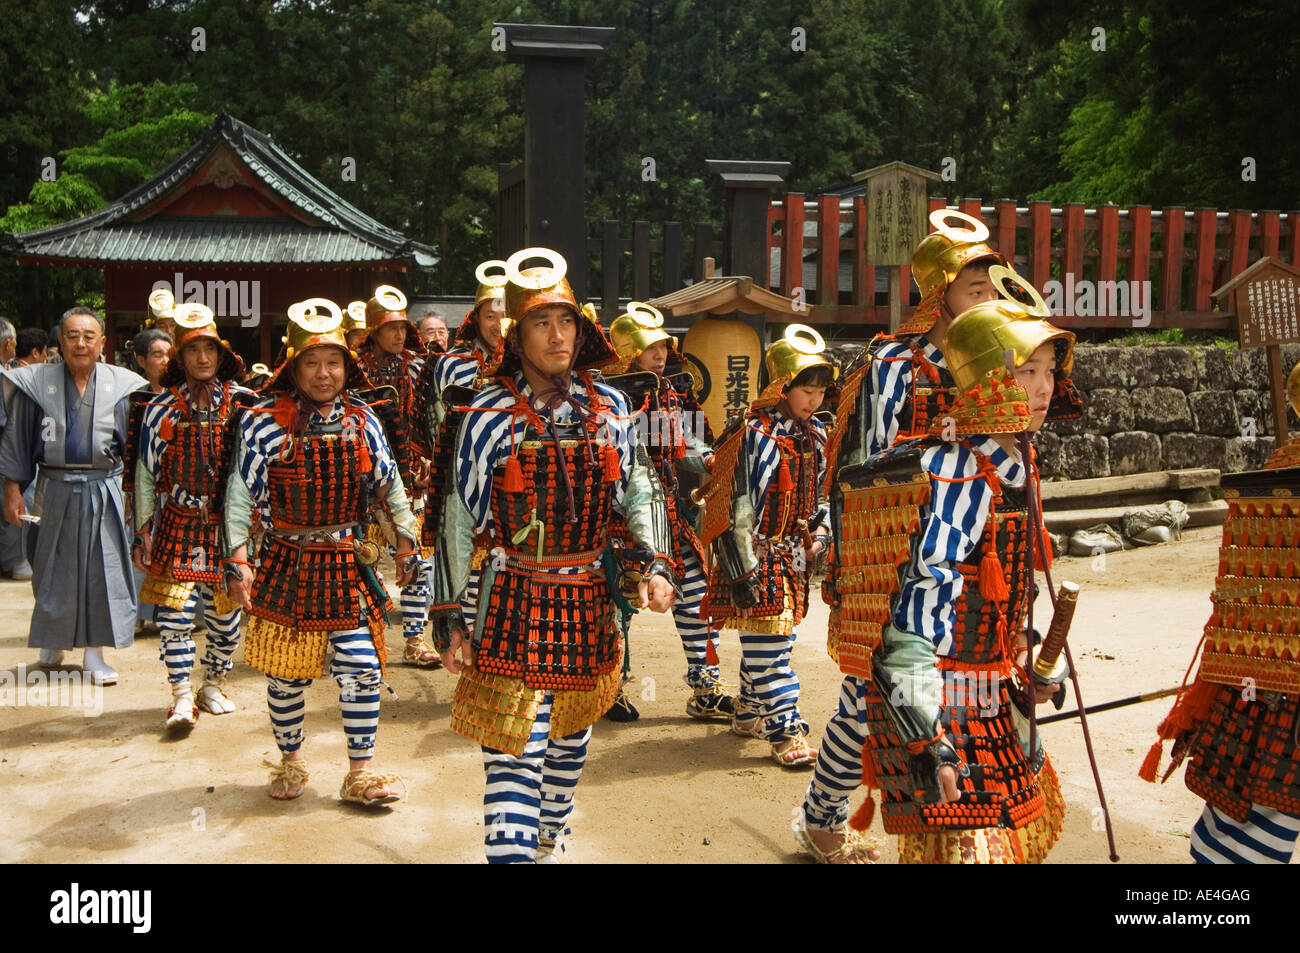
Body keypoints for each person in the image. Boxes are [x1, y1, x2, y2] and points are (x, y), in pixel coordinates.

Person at [795, 292, 1073, 864]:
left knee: (859, 714)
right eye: (1027, 370)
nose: (1043, 387)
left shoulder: (1017, 462)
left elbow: (1007, 593)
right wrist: (929, 736)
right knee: (864, 718)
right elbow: (914, 618)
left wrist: (1034, 666)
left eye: (1049, 370)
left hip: (984, 684)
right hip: (933, 682)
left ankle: (817, 816)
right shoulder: (956, 472)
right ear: (990, 376)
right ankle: (821, 818)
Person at [430, 248, 678, 863]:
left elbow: (639, 486)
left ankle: (548, 842)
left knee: (570, 743)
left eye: (566, 321)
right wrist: (449, 612)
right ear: (515, 337)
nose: (557, 335)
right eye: (541, 323)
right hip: (512, 597)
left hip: (591, 600)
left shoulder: (611, 409)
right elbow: (459, 516)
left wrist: (653, 560)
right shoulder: (485, 415)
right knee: (516, 754)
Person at [223, 297, 419, 805]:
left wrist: (406, 540)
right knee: (286, 674)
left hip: (348, 559)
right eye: (312, 362)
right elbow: (240, 494)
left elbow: (389, 483)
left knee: (361, 668)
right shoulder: (261, 421)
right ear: (293, 366)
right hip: (287, 561)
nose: (324, 373)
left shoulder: (363, 420)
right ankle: (291, 762)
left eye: (333, 362)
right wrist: (237, 560)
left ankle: (361, 772)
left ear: (346, 366)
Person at [1139, 361, 1300, 864]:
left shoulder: (1279, 469)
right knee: (1260, 811)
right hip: (1278, 679)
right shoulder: (1280, 476)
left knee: (1246, 808)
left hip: (1260, 673)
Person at [700, 325, 836, 768]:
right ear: (783, 386)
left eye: (819, 391)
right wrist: (742, 567)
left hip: (793, 553)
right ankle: (785, 730)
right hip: (756, 550)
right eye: (806, 389)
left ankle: (748, 710)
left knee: (776, 639)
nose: (813, 400)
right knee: (771, 645)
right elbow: (736, 503)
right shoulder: (752, 435)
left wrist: (820, 533)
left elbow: (820, 495)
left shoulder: (816, 434)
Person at [0, 307, 148, 683]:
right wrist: (12, 488)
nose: (80, 343)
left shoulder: (124, 385)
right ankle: (53, 638)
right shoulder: (33, 383)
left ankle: (95, 654)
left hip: (106, 487)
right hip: (52, 487)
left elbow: (135, 452)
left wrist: (135, 496)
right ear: (59, 342)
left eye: (88, 336)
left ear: (102, 343)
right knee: (50, 567)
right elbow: (17, 439)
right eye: (72, 335)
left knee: (103, 570)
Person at [606, 302, 732, 722]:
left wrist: (712, 460)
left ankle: (705, 687)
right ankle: (612, 689)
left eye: (663, 344)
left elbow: (690, 445)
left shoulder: (675, 390)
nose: (660, 354)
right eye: (650, 347)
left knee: (696, 596)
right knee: (620, 604)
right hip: (623, 518)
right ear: (628, 352)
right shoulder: (609, 398)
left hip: (673, 512)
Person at [132, 303, 252, 731]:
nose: (202, 358)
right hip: (178, 522)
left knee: (225, 614)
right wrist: (142, 531)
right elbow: (146, 476)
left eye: (209, 349)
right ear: (179, 358)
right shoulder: (160, 408)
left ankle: (215, 682)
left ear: (221, 355)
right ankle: (181, 693)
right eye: (192, 350)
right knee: (174, 614)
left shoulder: (243, 405)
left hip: (227, 529)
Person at [355, 285, 439, 668]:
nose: (399, 334)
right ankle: (365, 638)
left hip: (407, 479)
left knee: (416, 561)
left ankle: (415, 639)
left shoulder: (417, 366)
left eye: (403, 327)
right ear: (374, 330)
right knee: (361, 561)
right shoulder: (353, 371)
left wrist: (425, 458)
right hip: (360, 484)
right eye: (391, 328)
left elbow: (424, 418)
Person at [132, 329, 172, 394]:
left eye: (170, 355)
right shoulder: (135, 395)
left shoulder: (182, 390)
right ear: (141, 361)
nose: (166, 361)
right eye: (158, 355)